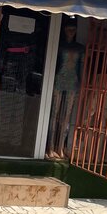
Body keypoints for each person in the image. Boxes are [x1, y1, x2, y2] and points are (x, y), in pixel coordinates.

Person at [46, 19, 85, 159]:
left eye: (73, 29)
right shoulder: (58, 45)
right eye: (68, 28)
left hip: (73, 82)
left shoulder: (80, 48)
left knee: (66, 117)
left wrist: (81, 84)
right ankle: (50, 147)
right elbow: (53, 63)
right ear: (63, 29)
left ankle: (60, 147)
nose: (71, 32)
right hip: (58, 80)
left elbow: (81, 68)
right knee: (54, 114)